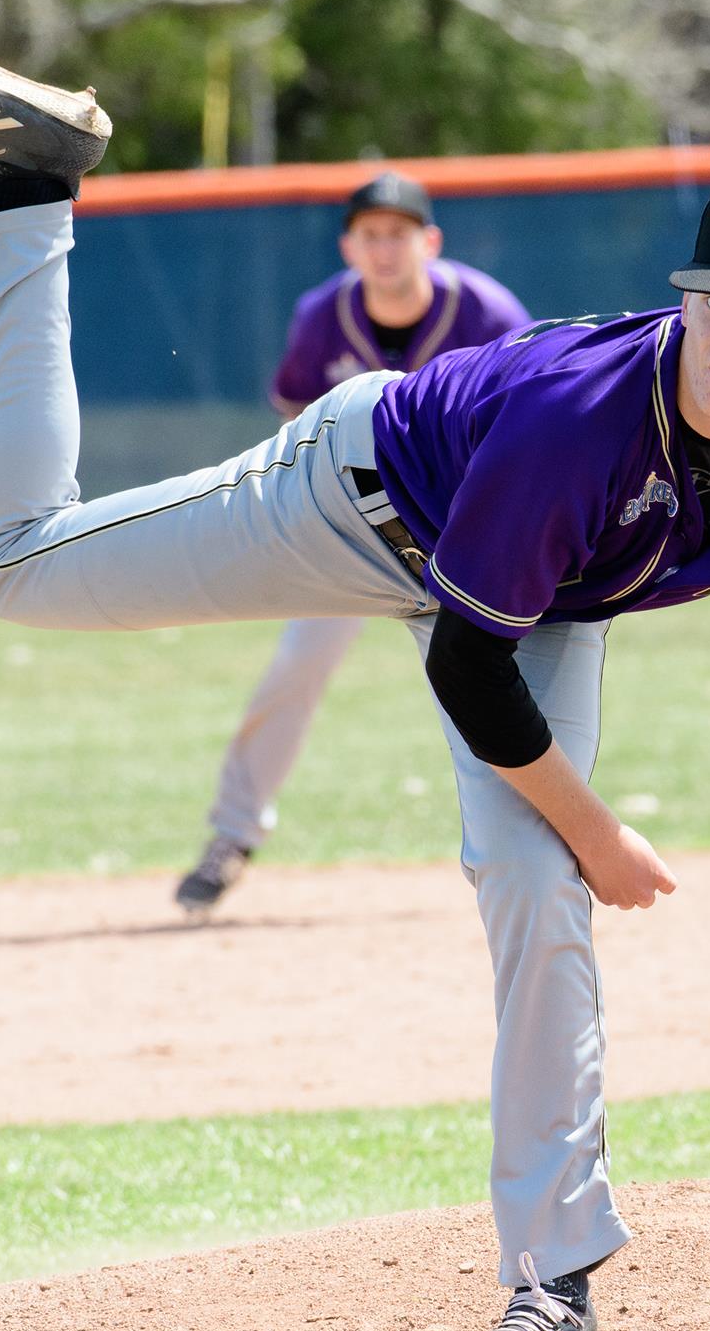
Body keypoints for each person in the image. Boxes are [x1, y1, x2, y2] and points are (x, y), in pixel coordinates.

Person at [0, 14, 710, 1331]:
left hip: (547, 594)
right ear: (685, 298)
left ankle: (551, 1291)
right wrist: (599, 828)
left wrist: (566, 849)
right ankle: (33, 202)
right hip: (358, 507)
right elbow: (464, 666)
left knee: (529, 890)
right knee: (11, 569)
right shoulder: (578, 422)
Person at [176, 173, 532, 917]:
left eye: (399, 232)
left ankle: (535, 849)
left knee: (506, 686)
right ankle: (232, 837)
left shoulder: (488, 311)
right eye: (370, 234)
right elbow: (296, 435)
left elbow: (532, 421)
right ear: (349, 247)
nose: (384, 247)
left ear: (429, 242)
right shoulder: (321, 317)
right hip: (351, 531)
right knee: (296, 669)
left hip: (463, 535)